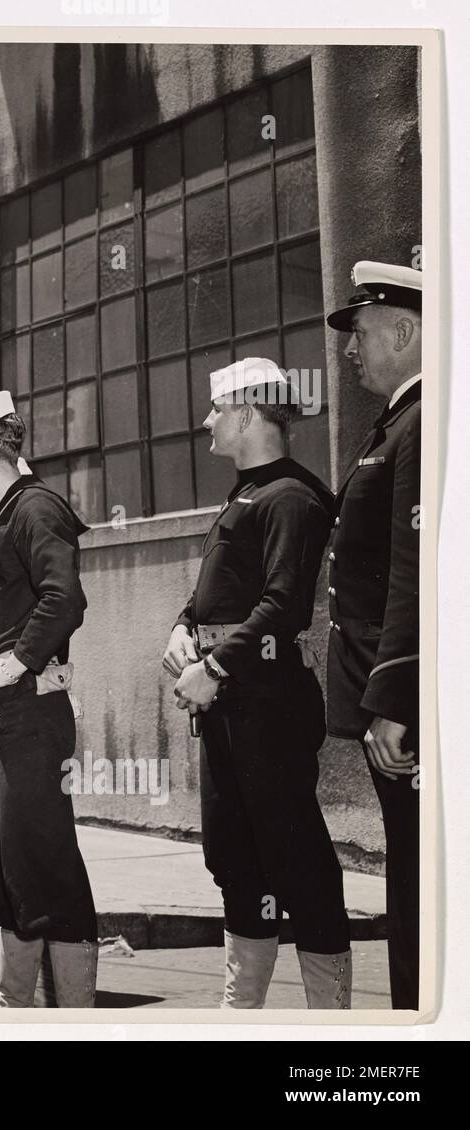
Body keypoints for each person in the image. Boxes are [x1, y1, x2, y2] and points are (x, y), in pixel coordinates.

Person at [163, 358, 350, 1009]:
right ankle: (241, 1016)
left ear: (244, 413)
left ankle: (333, 1025)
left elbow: (283, 607)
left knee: (299, 866)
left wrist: (213, 667)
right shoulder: (249, 492)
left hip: (266, 707)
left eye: (217, 410)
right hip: (228, 707)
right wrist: (183, 627)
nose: (207, 421)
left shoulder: (292, 498)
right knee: (237, 863)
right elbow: (217, 591)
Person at [0, 391, 98, 1008]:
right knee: (7, 871)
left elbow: (67, 598)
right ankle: (16, 1004)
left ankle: (75, 1016)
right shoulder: (9, 512)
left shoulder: (35, 509)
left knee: (46, 865)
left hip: (30, 711)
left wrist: (16, 660)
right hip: (4, 715)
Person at [324, 261, 423, 1009]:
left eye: (360, 333)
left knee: (423, 882)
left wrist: (396, 693)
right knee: (411, 874)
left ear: (405, 329)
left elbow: (414, 565)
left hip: (407, 707)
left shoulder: (423, 423)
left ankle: (423, 1021)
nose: (350, 348)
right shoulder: (395, 423)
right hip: (388, 694)